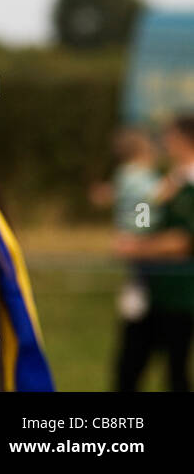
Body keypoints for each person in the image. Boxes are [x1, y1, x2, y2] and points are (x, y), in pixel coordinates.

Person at [116, 116, 194, 391]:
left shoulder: (188, 187)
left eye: (169, 137)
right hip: (149, 290)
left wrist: (137, 247)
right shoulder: (167, 182)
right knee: (128, 370)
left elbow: (183, 241)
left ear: (184, 140)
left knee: (176, 373)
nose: (164, 144)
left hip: (180, 296)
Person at [107, 128, 164, 390]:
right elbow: (154, 195)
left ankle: (136, 300)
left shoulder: (124, 175)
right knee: (140, 280)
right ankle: (136, 302)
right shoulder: (138, 176)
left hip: (131, 235)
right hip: (141, 236)